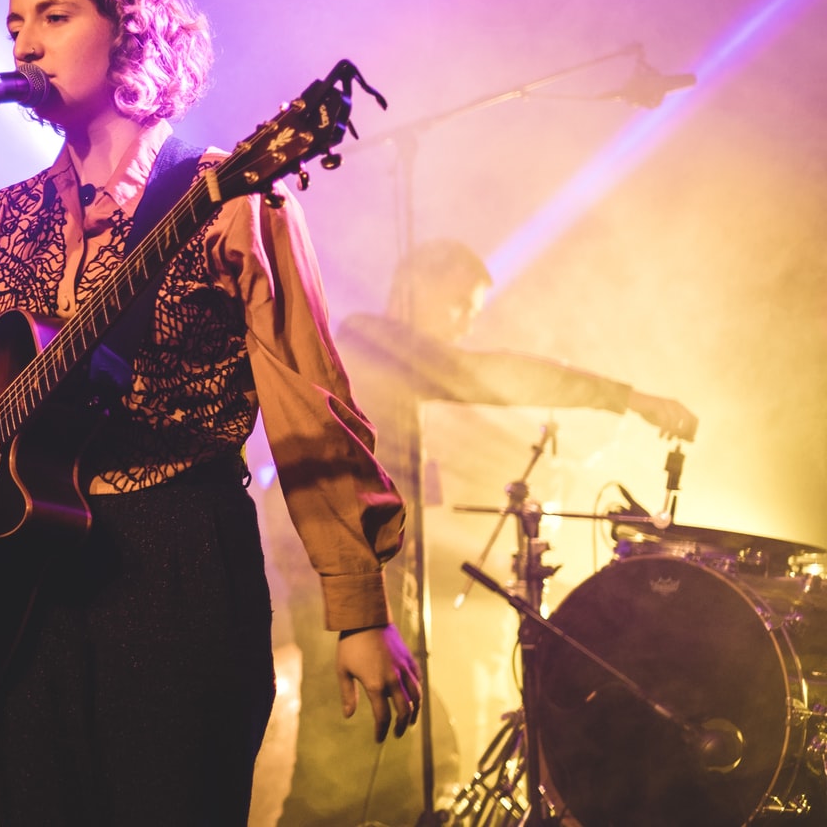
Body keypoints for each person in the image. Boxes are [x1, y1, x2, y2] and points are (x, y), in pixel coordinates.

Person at [0, 0, 421, 826]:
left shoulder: (230, 199)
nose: (24, 44)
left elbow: (312, 413)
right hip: (21, 583)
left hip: (178, 562)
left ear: (134, 35)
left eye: (55, 16)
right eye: (14, 24)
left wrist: (358, 611)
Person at [273, 238, 698, 826]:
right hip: (337, 578)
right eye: (458, 303)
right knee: (348, 762)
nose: (467, 320)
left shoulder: (398, 384)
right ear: (414, 287)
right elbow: (484, 375)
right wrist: (624, 398)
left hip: (360, 577)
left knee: (391, 762)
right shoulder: (369, 336)